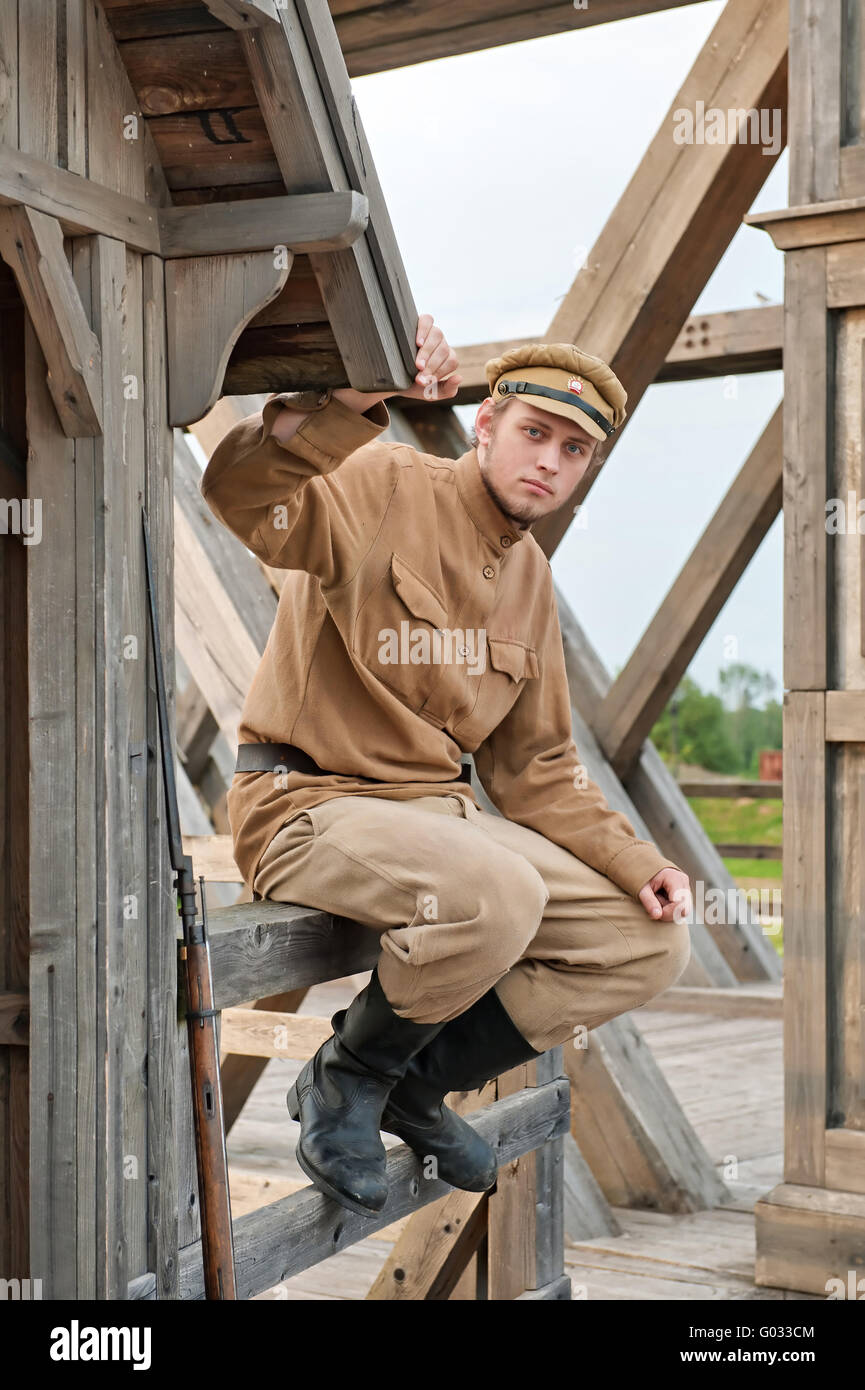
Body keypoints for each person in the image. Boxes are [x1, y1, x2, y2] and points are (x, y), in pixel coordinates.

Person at [200, 316, 693, 1218]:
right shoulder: (383, 478)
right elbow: (245, 499)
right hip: (306, 802)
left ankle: (412, 1086)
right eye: (534, 433)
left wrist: (640, 864)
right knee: (496, 890)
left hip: (441, 823)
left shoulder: (530, 580)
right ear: (485, 426)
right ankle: (345, 1078)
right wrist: (352, 399)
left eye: (573, 450)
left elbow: (538, 767)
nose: (548, 460)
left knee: (649, 939)